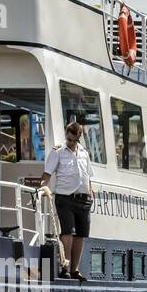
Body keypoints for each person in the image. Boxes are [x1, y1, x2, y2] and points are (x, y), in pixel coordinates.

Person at [39, 120, 95, 281]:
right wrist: (42, 187)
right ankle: (65, 267)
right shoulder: (57, 152)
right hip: (65, 198)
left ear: (79, 137)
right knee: (68, 233)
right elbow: (47, 174)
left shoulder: (84, 152)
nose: (70, 142)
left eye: (73, 140)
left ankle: (75, 269)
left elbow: (87, 175)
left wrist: (90, 191)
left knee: (81, 235)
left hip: (83, 200)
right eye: (68, 139)